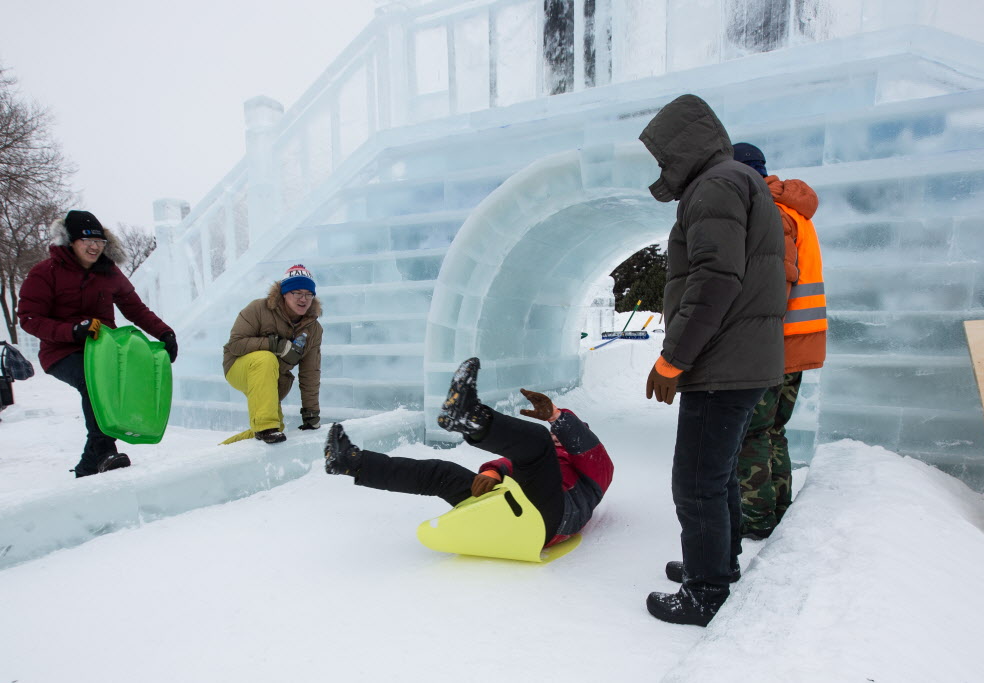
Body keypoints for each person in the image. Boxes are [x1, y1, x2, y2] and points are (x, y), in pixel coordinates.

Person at [639, 95, 787, 626]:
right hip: (739, 359)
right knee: (717, 474)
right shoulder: (732, 181)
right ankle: (719, 564)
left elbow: (715, 280)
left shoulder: (715, 186)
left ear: (683, 146)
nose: (662, 168)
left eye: (663, 156)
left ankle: (706, 594)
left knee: (696, 480)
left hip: (723, 363)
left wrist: (673, 359)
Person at [323, 357, 614, 549]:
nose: (555, 437)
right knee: (441, 473)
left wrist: (555, 416)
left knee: (535, 441)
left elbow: (584, 445)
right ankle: (351, 463)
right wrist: (492, 471)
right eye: (555, 433)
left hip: (551, 520)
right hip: (512, 509)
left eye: (560, 435)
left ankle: (471, 418)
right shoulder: (539, 461)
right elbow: (507, 462)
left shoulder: (594, 471)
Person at [18, 210, 178, 477]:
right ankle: (104, 452)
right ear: (70, 241)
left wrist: (164, 334)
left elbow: (135, 309)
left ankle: (89, 464)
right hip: (62, 351)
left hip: (104, 350)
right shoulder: (45, 272)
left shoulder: (108, 272)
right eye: (86, 240)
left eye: (99, 242)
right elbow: (30, 318)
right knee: (93, 382)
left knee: (113, 379)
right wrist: (72, 331)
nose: (94, 247)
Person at [732, 142, 826, 540]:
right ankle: (779, 510)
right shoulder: (794, 208)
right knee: (772, 431)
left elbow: (775, 283)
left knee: (752, 433)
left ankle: (756, 520)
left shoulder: (771, 213)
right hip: (798, 342)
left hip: (775, 344)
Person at [222, 264, 322, 444]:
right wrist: (276, 345)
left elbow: (310, 373)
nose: (303, 299)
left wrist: (311, 413)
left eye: (308, 294)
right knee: (265, 359)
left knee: (276, 428)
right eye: (297, 292)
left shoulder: (313, 329)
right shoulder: (259, 309)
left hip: (272, 377)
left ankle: (223, 450)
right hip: (239, 367)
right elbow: (235, 345)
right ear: (284, 293)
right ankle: (265, 427)